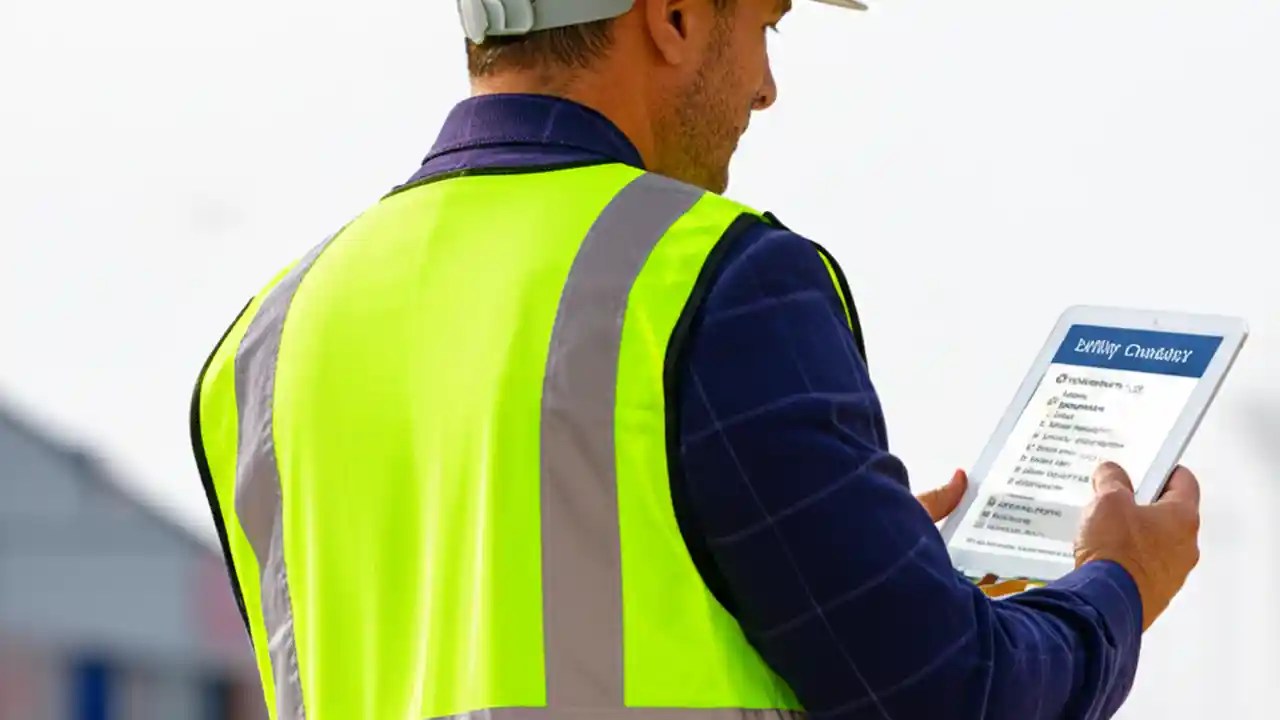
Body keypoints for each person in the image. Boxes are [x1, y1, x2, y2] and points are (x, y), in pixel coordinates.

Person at [189, 1, 1203, 719]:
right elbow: (954, 694)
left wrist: (877, 580)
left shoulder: (267, 339)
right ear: (670, 16)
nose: (765, 86)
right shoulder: (717, 280)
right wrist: (1116, 584)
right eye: (763, 25)